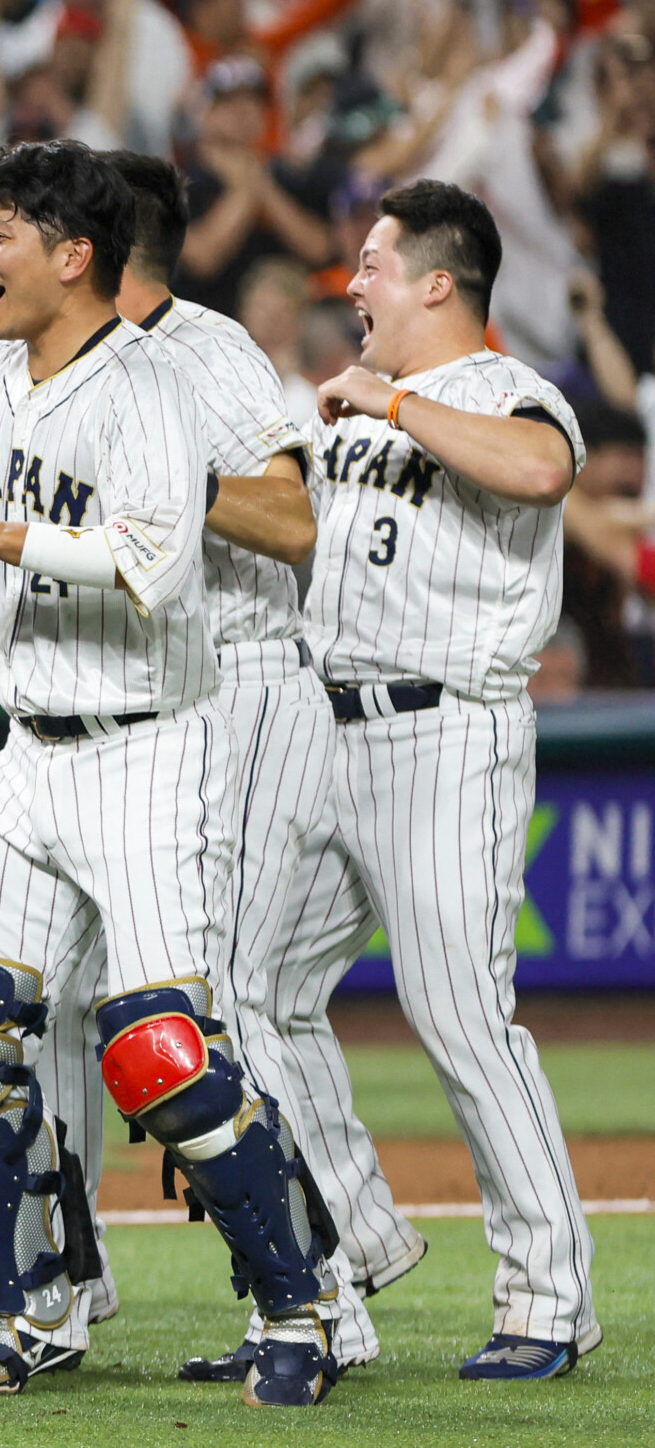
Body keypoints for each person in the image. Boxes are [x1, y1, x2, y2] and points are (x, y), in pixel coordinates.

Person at [0, 143, 338, 1407]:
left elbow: (158, 563)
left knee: (159, 1054)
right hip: (30, 758)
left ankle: (299, 1313)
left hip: (147, 748)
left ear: (71, 252)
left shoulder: (147, 385)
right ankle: (20, 1312)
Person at [280, 180, 601, 1379]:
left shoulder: (508, 391)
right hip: (327, 732)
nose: (351, 282)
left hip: (442, 734)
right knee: (250, 990)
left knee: (461, 1013)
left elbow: (535, 471)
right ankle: (349, 1249)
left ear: (436, 281)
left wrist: (396, 399)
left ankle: (547, 1299)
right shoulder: (356, 411)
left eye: (371, 263)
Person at [92, 151, 391, 1381]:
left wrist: (169, 484)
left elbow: (288, 522)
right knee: (221, 1011)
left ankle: (328, 1296)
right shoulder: (101, 362)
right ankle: (339, 1261)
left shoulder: (198, 350)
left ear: (92, 245)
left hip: (252, 688)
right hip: (190, 702)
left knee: (226, 1008)